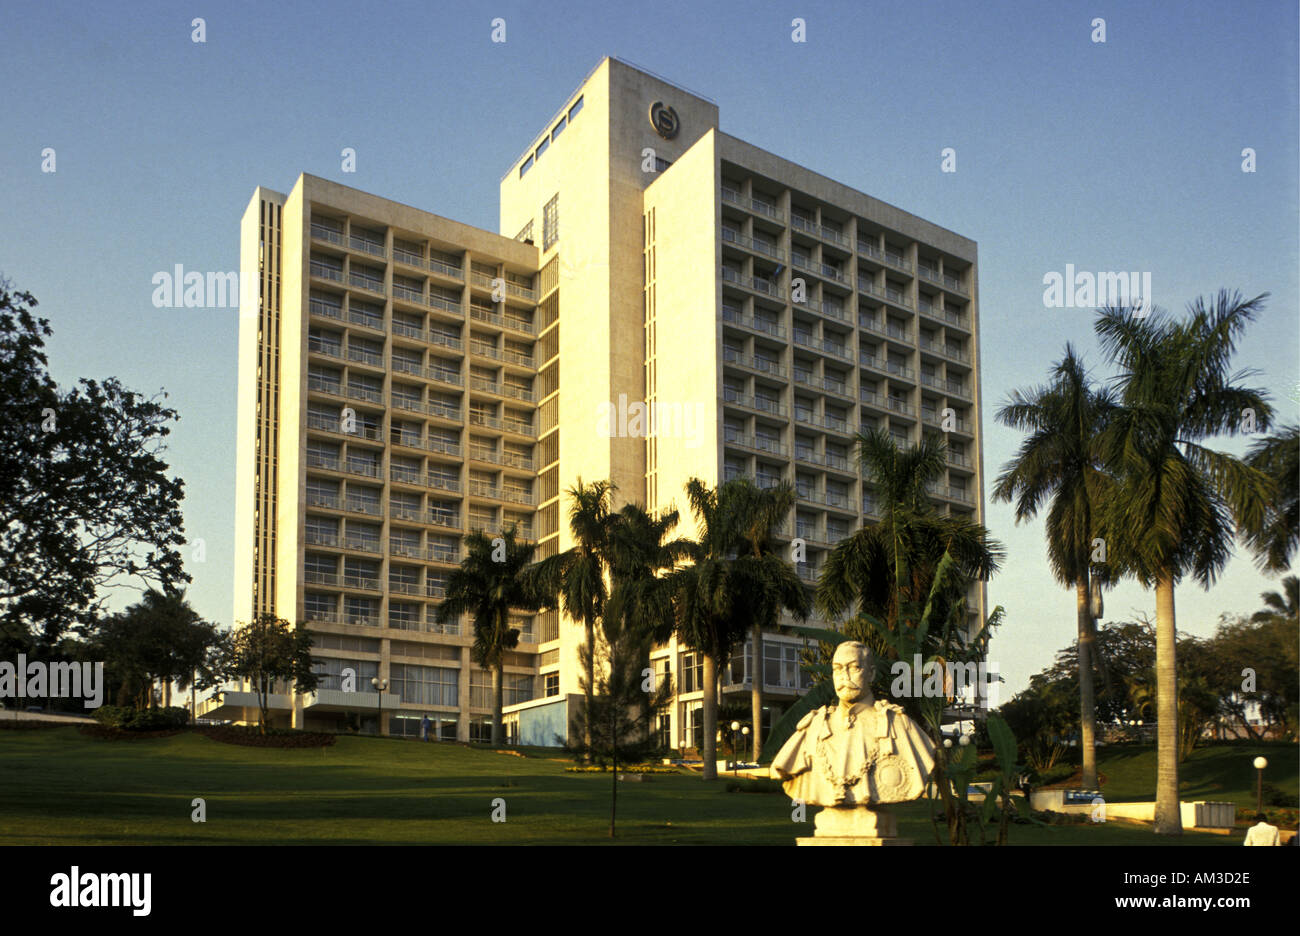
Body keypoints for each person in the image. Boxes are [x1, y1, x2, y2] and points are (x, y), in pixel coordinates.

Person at [770, 641, 936, 807]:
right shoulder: (814, 727)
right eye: (837, 668)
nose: (845, 676)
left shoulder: (899, 725)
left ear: (870, 674)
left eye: (854, 667)